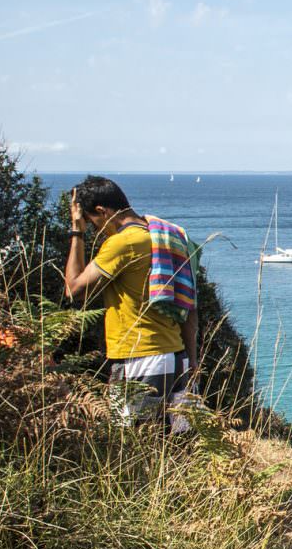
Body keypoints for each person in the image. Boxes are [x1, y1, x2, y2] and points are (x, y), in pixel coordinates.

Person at [63, 176, 199, 426]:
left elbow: (74, 290)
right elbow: (189, 306)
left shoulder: (123, 242)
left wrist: (76, 232)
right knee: (177, 442)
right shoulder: (168, 237)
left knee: (134, 441)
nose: (95, 231)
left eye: (92, 223)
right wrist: (192, 360)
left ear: (102, 211)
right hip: (176, 357)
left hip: (139, 359)